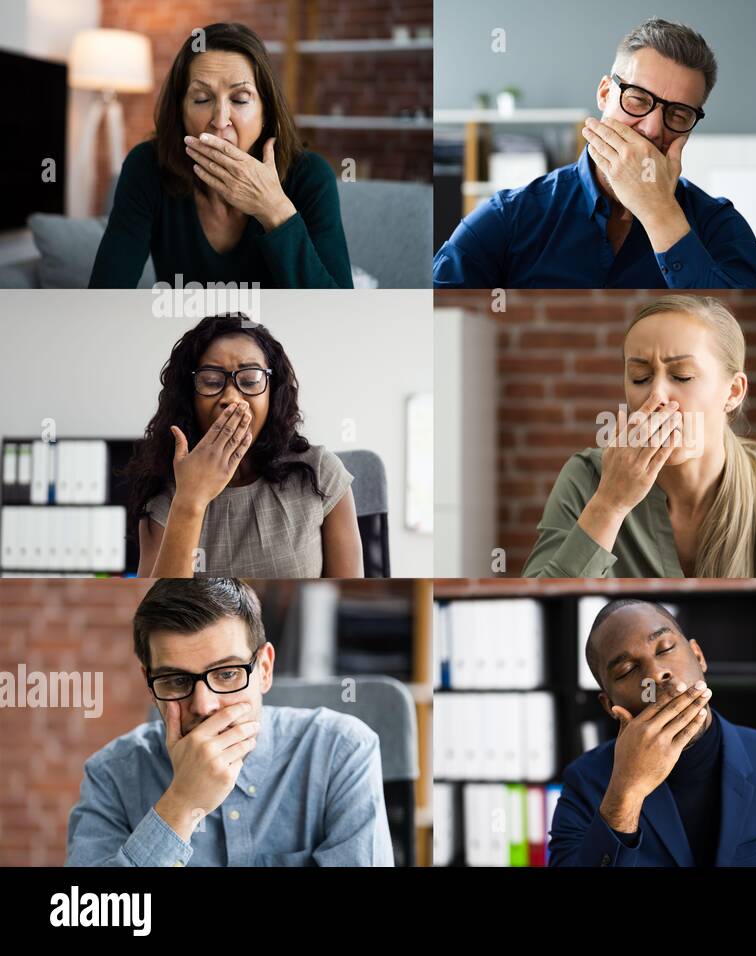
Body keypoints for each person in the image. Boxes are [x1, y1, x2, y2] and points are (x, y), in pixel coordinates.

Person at [523, 295, 756, 577]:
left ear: (733, 391)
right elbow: (543, 595)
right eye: (639, 377)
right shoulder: (586, 480)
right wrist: (609, 505)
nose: (656, 396)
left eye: (682, 376)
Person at [66, 578, 393, 866]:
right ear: (150, 684)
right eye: (176, 680)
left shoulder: (342, 750)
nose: (204, 706)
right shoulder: (110, 774)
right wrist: (182, 803)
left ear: (264, 668)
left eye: (226, 674)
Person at [433, 18, 756, 289]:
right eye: (638, 99)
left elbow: (749, 332)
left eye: (678, 115)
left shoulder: (718, 225)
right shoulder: (508, 217)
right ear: (606, 93)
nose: (652, 129)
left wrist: (658, 211)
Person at [547, 599, 756, 866]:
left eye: (665, 648)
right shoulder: (584, 784)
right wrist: (626, 794)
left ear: (698, 656)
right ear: (610, 704)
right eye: (626, 670)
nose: (656, 673)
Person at [89, 22, 352, 289]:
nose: (220, 120)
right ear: (180, 111)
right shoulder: (147, 166)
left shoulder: (310, 175)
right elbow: (105, 294)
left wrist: (274, 210)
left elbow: (336, 314)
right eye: (202, 99)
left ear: (266, 112)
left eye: (240, 99)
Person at [126, 313, 363, 578]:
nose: (231, 398)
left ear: (273, 391)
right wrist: (190, 499)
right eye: (212, 382)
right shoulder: (165, 491)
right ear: (189, 396)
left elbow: (348, 593)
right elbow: (160, 604)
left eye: (249, 381)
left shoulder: (321, 472)